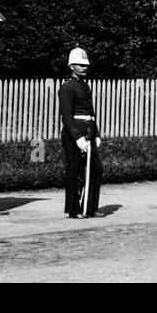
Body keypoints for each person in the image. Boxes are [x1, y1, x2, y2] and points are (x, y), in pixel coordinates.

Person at [59, 47, 102, 218]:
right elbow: (67, 117)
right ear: (71, 66)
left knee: (96, 170)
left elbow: (91, 113)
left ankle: (90, 208)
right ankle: (73, 209)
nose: (84, 67)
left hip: (89, 132)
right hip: (74, 135)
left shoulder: (85, 86)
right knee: (74, 171)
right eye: (80, 65)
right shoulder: (67, 88)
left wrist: (96, 134)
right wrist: (77, 138)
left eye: (85, 65)